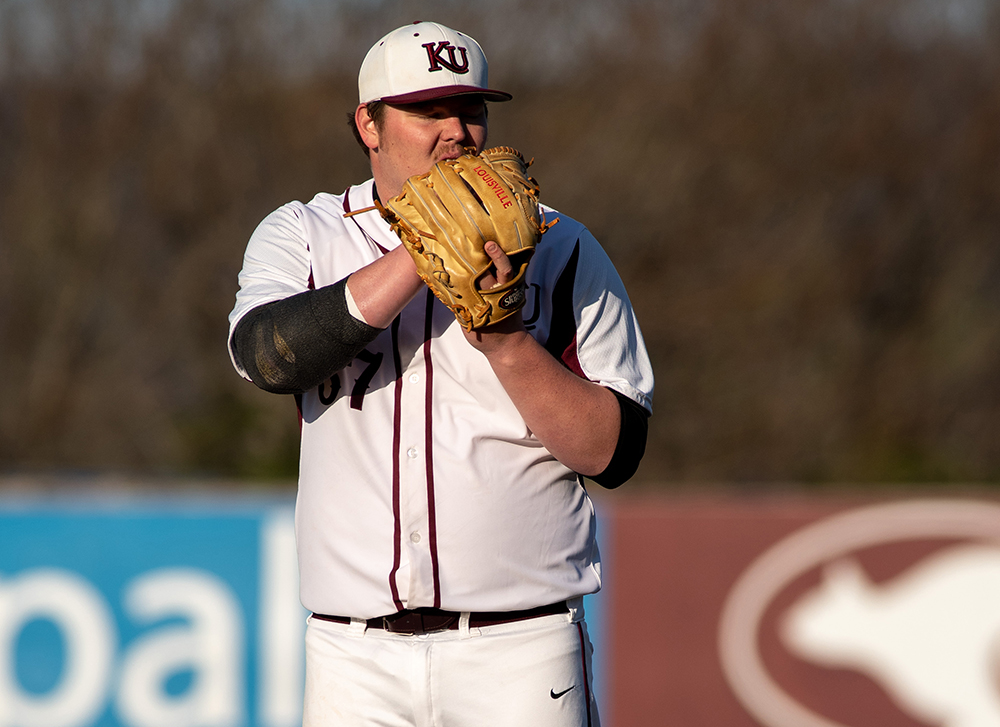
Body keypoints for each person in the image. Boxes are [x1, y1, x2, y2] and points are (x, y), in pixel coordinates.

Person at [227, 20, 653, 727]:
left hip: (519, 647)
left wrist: (509, 346)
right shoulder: (306, 234)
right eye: (429, 111)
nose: (457, 129)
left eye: (471, 110)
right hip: (352, 654)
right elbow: (265, 355)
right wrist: (422, 253)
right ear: (369, 123)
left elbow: (617, 452)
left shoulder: (559, 246)